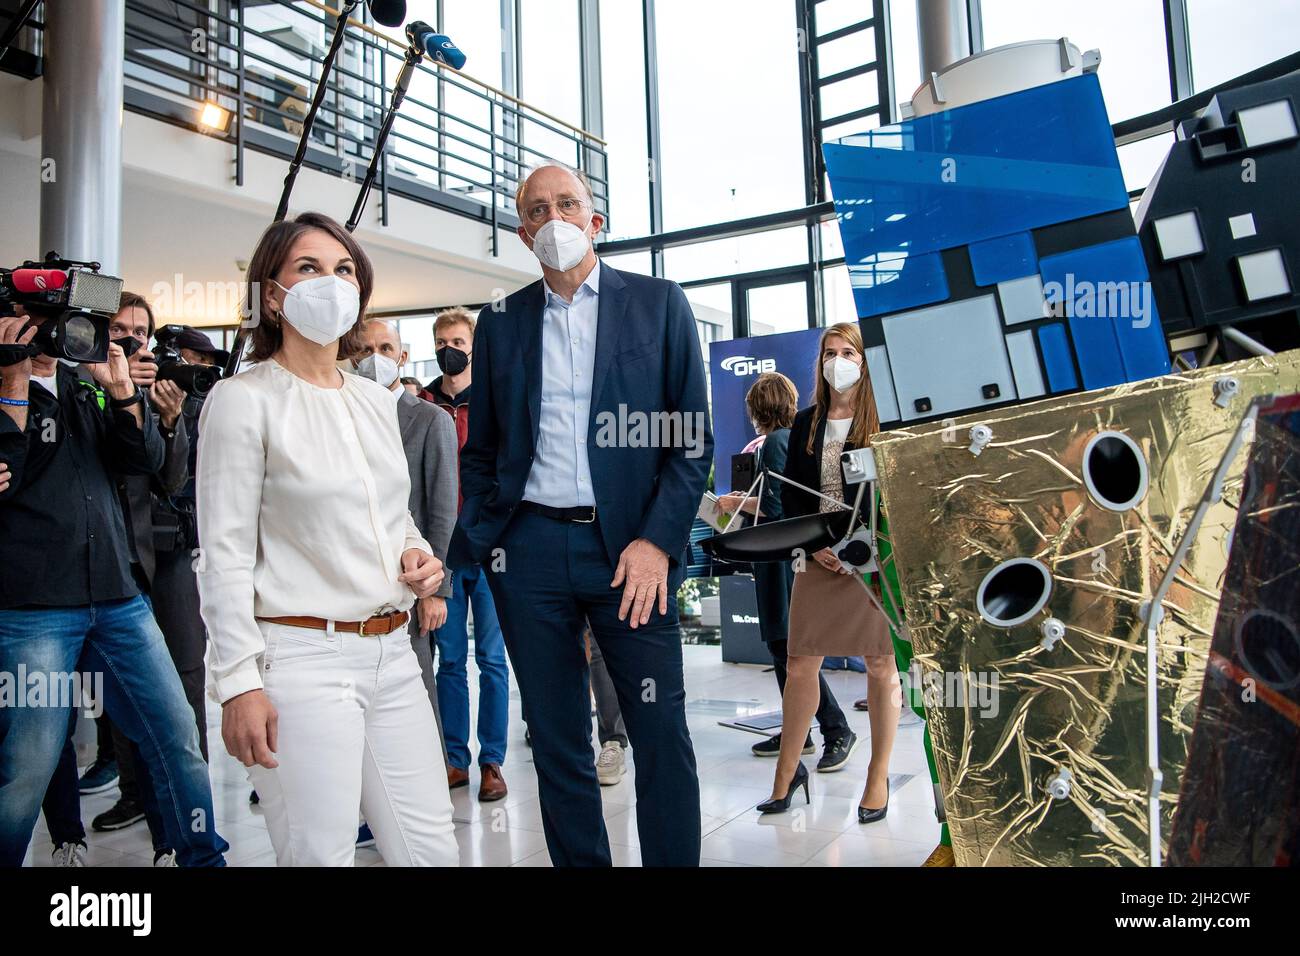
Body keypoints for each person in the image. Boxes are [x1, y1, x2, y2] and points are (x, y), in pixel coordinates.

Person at [448, 162, 712, 866]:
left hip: (631, 553)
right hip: (528, 552)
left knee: (658, 733)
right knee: (558, 741)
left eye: (569, 203)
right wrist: (485, 530)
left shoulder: (659, 304)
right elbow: (485, 447)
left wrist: (658, 541)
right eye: (538, 209)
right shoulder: (500, 323)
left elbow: (691, 442)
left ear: (597, 220)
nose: (554, 217)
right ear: (522, 230)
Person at [197, 211, 458, 866]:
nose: (331, 282)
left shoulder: (375, 400)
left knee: (431, 851)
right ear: (271, 294)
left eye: (344, 269)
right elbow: (223, 554)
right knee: (320, 855)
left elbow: (392, 514)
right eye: (308, 267)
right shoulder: (242, 400)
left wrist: (416, 553)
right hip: (299, 660)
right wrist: (237, 684)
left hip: (392, 652)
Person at [0, 303, 227, 868]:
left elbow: (145, 462)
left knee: (176, 737)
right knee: (26, 766)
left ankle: (199, 856)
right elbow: (12, 471)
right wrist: (12, 378)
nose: (61, 332)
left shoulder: (87, 384)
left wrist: (124, 392)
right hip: (33, 605)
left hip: (120, 595)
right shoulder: (4, 384)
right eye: (43, 318)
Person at [757, 322, 901, 823]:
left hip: (873, 561)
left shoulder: (885, 420)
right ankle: (786, 776)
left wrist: (868, 546)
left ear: (863, 360)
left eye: (847, 352)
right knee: (801, 665)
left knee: (881, 667)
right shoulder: (806, 422)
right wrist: (817, 544)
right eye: (828, 352)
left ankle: (877, 778)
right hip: (819, 560)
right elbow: (795, 494)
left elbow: (896, 497)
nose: (836, 360)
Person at [717, 371, 857, 767]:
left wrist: (736, 505)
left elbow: (778, 510)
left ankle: (836, 728)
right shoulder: (789, 439)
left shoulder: (779, 440)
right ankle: (799, 731)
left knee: (788, 649)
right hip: (781, 560)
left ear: (758, 407)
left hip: (782, 562)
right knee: (784, 649)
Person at [351, 318, 458, 746]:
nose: (374, 358)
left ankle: (430, 776)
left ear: (402, 355)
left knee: (414, 689)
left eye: (384, 347)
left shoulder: (430, 419)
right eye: (363, 349)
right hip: (354, 581)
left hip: (411, 579)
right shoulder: (343, 411)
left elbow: (444, 511)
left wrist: (434, 590)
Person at [420, 307, 510, 802]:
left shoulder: (493, 401)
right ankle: (454, 759)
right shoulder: (424, 405)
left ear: (473, 345)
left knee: (492, 659)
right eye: (440, 340)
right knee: (450, 660)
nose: (448, 348)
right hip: (443, 552)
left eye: (456, 339)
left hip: (491, 548)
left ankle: (492, 761)